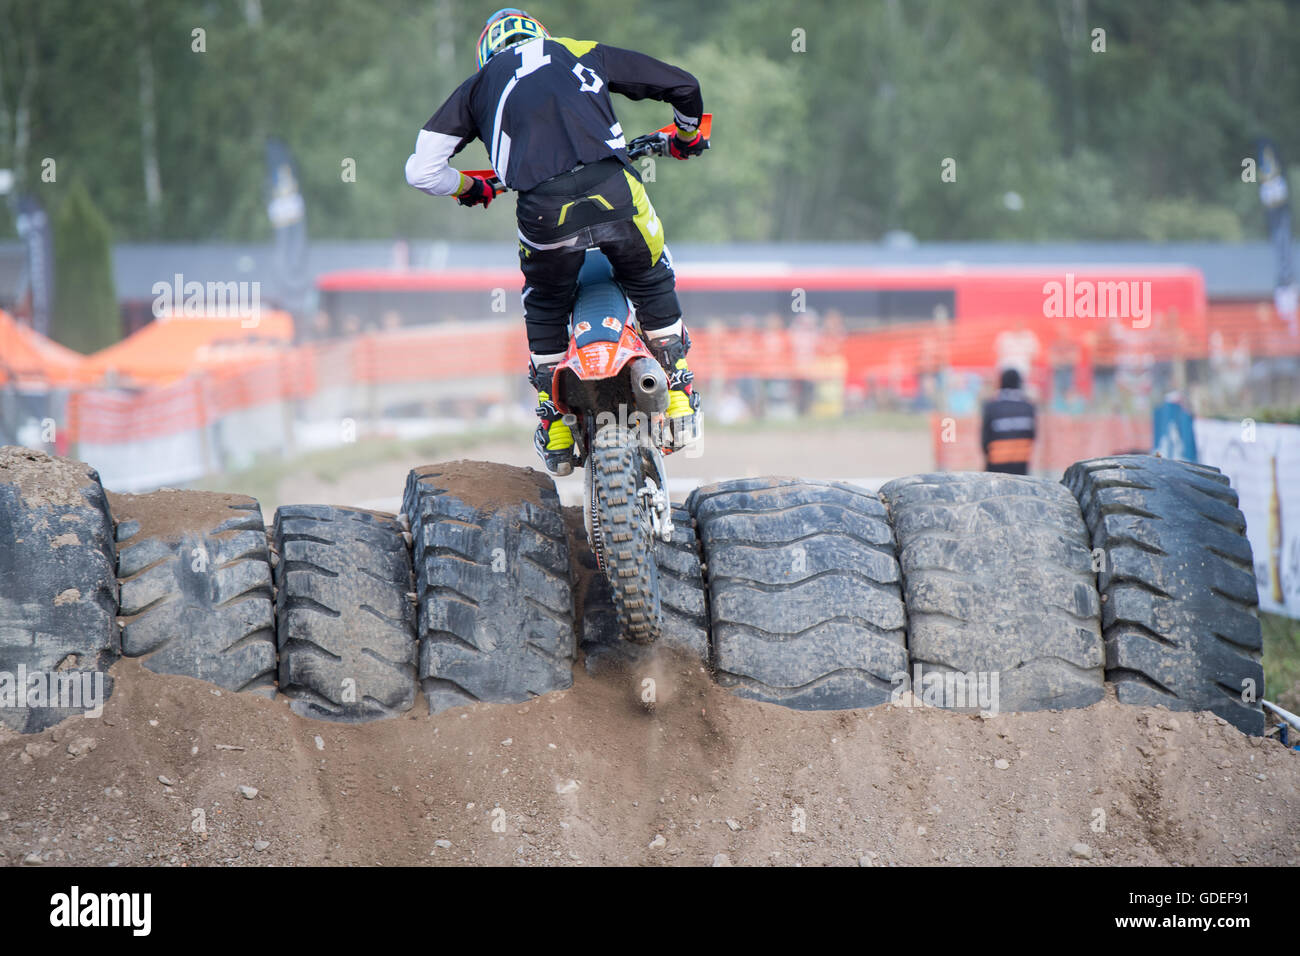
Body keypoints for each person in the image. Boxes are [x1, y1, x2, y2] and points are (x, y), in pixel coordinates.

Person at [403, 8, 707, 475]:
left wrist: (471, 186)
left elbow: (421, 171)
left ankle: (553, 418)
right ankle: (681, 393)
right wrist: (685, 135)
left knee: (544, 301)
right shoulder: (578, 50)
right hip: (614, 191)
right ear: (541, 36)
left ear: (486, 55)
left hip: (543, 211)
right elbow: (683, 85)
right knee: (650, 274)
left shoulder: (478, 86)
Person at [981, 368, 1036, 475]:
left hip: (996, 466)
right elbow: (1033, 436)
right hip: (1021, 465)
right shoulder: (1028, 407)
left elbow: (984, 439)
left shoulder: (992, 407)